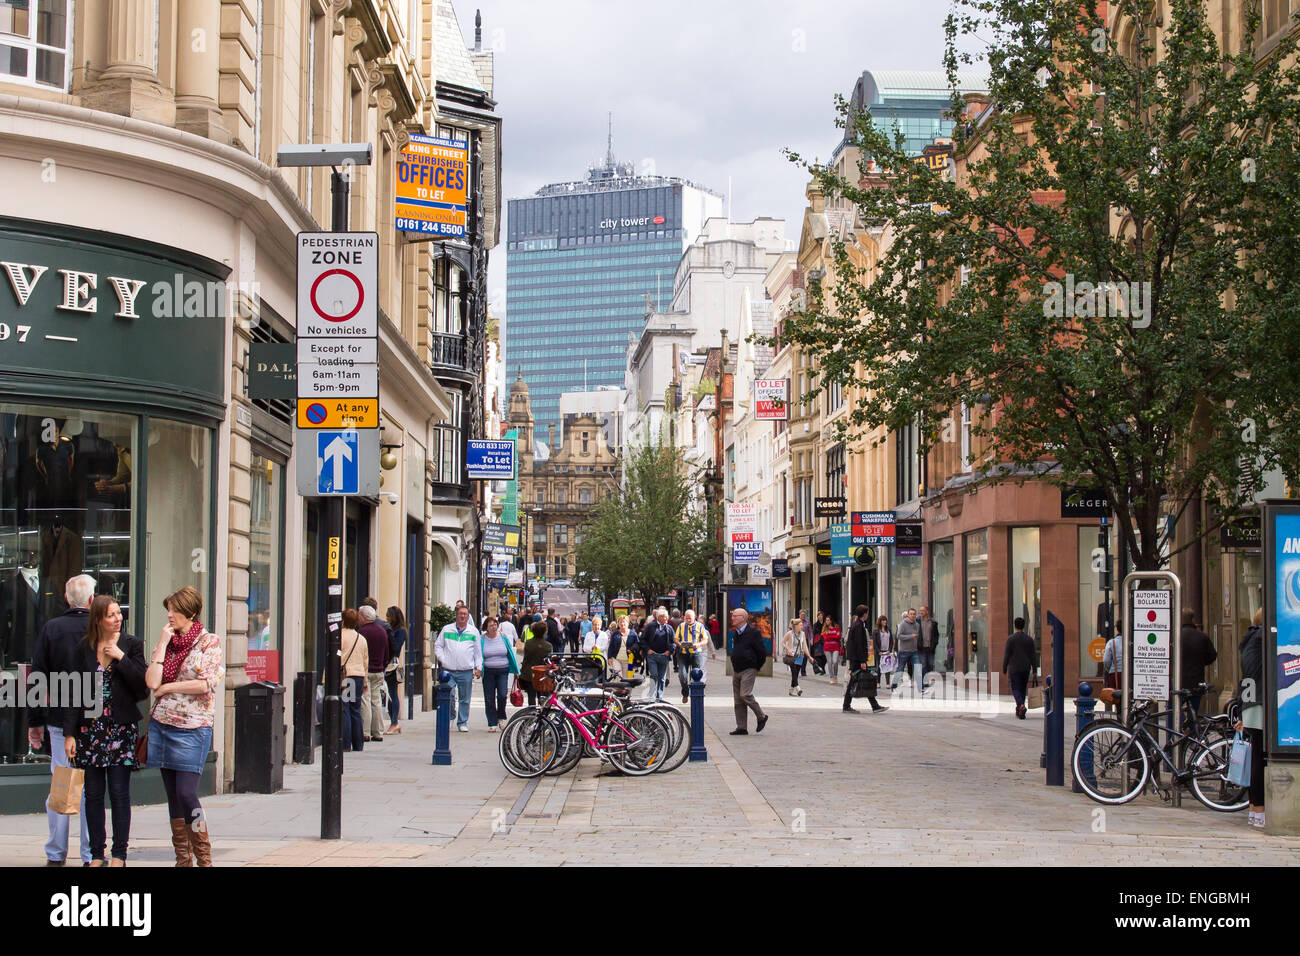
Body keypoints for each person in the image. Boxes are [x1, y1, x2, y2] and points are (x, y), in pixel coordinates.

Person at [64, 595, 147, 866]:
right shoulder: (83, 648)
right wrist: (69, 733)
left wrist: (121, 658)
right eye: (111, 615)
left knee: (120, 792)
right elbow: (73, 694)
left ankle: (119, 854)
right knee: (94, 794)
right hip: (91, 731)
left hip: (121, 730)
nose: (117, 618)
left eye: (118, 613)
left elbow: (142, 688)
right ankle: (97, 854)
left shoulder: (131, 645)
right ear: (98, 619)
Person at [145, 585, 224, 867]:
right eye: (168, 609)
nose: (170, 615)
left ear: (190, 612)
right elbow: (152, 682)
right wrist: (162, 645)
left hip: (193, 726)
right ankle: (182, 859)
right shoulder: (167, 642)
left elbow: (206, 684)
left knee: (187, 793)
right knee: (172, 796)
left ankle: (204, 857)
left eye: (175, 610)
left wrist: (170, 686)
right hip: (163, 725)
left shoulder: (208, 642)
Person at [27, 573, 95, 866]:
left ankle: (56, 852)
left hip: (57, 719)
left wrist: (35, 722)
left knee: (62, 781)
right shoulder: (99, 627)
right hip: (94, 717)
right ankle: (91, 852)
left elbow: (37, 677)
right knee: (90, 786)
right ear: (92, 600)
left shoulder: (51, 628)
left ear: (67, 599)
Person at [1236, 608, 1266, 829]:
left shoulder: (1250, 640)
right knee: (1259, 758)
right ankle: (1259, 808)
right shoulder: (1263, 638)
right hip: (1260, 702)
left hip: (1250, 702)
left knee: (1257, 754)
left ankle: (1255, 809)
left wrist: (1241, 711)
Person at [435, 604, 482, 731]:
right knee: (449, 695)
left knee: (465, 699)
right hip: (448, 670)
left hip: (465, 670)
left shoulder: (473, 632)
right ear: (456, 615)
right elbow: (438, 646)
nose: (462, 616)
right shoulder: (447, 629)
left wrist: (479, 667)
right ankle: (450, 717)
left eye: (465, 614)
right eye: (460, 613)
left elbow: (478, 652)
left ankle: (462, 722)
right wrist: (443, 658)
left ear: (468, 617)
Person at [728, 607, 768, 735]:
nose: (732, 618)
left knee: (745, 694)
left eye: (735, 616)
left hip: (748, 668)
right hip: (737, 669)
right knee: (738, 699)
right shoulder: (736, 633)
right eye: (732, 616)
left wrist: (757, 666)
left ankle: (761, 716)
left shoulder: (753, 632)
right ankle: (741, 727)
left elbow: (762, 652)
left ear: (743, 618)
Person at [844, 604, 887, 713]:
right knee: (856, 681)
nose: (868, 615)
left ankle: (874, 705)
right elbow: (859, 644)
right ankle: (847, 706)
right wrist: (863, 661)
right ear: (864, 614)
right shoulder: (858, 626)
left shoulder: (858, 624)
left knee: (863, 680)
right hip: (857, 659)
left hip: (856, 658)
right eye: (867, 613)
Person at [479, 616, 519, 731]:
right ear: (486, 627)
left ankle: (501, 718)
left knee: (502, 695)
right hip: (488, 671)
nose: (493, 627)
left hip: (503, 670)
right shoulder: (482, 639)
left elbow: (510, 653)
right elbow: (479, 654)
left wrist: (516, 670)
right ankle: (492, 723)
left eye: (495, 624)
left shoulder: (503, 637)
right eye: (491, 625)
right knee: (489, 698)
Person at [357, 606, 390, 742]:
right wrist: (382, 665)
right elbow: (387, 653)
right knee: (376, 701)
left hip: (366, 670)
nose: (358, 618)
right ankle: (378, 732)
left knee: (365, 700)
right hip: (378, 670)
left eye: (359, 616)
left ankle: (365, 732)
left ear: (364, 617)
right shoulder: (382, 631)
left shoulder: (361, 632)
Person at [1179, 608, 1218, 724]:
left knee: (1173, 710)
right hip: (1196, 681)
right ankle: (1191, 734)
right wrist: (1200, 662)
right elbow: (1212, 656)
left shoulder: (1175, 636)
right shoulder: (1202, 637)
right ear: (1193, 619)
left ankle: (1176, 732)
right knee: (1193, 712)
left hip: (1177, 682)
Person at [337, 609, 367, 752]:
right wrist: (365, 681)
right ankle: (358, 743)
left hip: (346, 676)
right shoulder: (361, 638)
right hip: (359, 676)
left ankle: (346, 743)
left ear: (343, 620)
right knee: (356, 709)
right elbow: (365, 661)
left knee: (345, 708)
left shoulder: (340, 637)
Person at [1002, 617, 1036, 719]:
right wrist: (1034, 669)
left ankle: (1021, 705)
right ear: (1023, 625)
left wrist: (1004, 667)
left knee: (1015, 688)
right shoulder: (1029, 639)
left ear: (1015, 626)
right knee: (1022, 689)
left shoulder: (1011, 639)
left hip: (1015, 668)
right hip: (1026, 668)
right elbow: (1033, 655)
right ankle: (1020, 710)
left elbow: (1007, 654)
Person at [674, 609, 709, 703]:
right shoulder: (681, 626)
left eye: (690, 618)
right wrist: (680, 644)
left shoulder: (700, 626)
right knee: (682, 675)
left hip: (696, 653)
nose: (688, 620)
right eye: (686, 618)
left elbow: (705, 640)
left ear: (695, 617)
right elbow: (676, 638)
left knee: (697, 675)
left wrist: (697, 644)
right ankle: (685, 693)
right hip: (683, 653)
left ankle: (695, 694)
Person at [640, 607, 674, 699]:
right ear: (658, 617)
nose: (666, 619)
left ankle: (660, 697)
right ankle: (652, 696)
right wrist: (647, 650)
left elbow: (673, 641)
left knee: (662, 678)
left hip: (664, 656)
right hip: (652, 656)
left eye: (667, 617)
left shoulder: (669, 628)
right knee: (654, 675)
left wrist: (669, 651)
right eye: (664, 617)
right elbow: (643, 639)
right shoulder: (650, 626)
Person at [384, 607, 407, 735]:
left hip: (392, 666)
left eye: (388, 616)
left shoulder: (400, 631)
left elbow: (395, 648)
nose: (386, 618)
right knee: (388, 694)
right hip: (385, 664)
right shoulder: (391, 630)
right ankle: (393, 722)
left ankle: (394, 722)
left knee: (392, 694)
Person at [518, 620, 553, 705]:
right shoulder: (548, 646)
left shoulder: (528, 643)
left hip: (530, 673)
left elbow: (526, 657)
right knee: (542, 696)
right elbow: (549, 660)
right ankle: (541, 714)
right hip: (542, 673)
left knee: (531, 696)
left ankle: (531, 713)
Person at [894, 608, 921, 692]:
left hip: (914, 651)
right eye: (911, 614)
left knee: (917, 667)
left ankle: (921, 687)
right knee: (900, 668)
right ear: (908, 615)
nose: (913, 615)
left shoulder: (917, 625)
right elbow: (898, 636)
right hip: (903, 651)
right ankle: (894, 685)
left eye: (914, 614)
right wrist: (911, 636)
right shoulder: (902, 624)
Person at [781, 618, 808, 696]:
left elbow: (805, 646)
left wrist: (809, 656)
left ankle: (791, 690)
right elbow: (782, 642)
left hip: (800, 655)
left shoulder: (802, 634)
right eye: (800, 625)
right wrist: (788, 649)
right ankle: (798, 687)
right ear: (795, 626)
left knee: (795, 674)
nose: (802, 626)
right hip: (791, 656)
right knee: (794, 672)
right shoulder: (789, 633)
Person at [918, 606, 939, 686]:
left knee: (930, 664)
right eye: (920, 610)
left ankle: (929, 678)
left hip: (930, 647)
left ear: (927, 611)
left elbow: (936, 635)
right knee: (923, 664)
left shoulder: (933, 622)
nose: (921, 612)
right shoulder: (917, 621)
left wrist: (935, 643)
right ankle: (925, 680)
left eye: (923, 611)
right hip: (921, 647)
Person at [875, 616, 895, 688]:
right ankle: (878, 682)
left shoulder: (888, 630)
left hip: (887, 651)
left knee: (887, 667)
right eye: (883, 620)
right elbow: (875, 643)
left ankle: (887, 683)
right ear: (880, 621)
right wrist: (878, 651)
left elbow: (891, 641)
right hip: (879, 652)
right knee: (879, 667)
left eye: (885, 620)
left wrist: (889, 650)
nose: (885, 622)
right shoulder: (876, 631)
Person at [822, 615, 842, 684]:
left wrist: (830, 636)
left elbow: (839, 636)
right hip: (827, 647)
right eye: (826, 620)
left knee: (835, 661)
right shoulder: (825, 628)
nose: (827, 621)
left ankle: (835, 675)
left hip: (835, 647)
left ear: (831, 621)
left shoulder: (836, 628)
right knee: (829, 662)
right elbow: (825, 638)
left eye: (828, 620)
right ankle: (831, 677)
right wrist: (834, 636)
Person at [810, 610, 826, 675]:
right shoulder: (815, 625)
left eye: (821, 615)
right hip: (818, 642)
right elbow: (813, 633)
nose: (820, 616)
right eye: (819, 615)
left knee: (824, 657)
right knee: (818, 656)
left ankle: (823, 668)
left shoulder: (825, 624)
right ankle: (821, 669)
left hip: (824, 641)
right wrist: (812, 641)